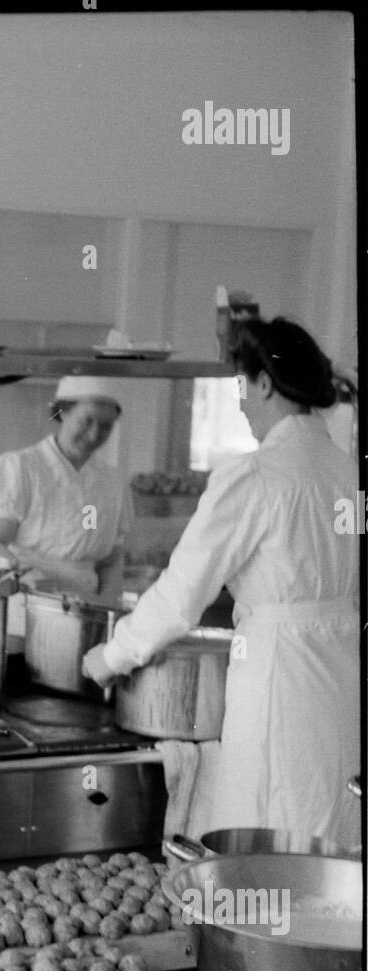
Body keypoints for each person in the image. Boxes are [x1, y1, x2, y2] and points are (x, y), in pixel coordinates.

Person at [83, 316, 359, 844]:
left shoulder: (256, 475)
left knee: (268, 827)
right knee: (327, 828)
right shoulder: (345, 469)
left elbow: (183, 591)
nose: (240, 403)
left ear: (264, 384)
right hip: (342, 681)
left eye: (241, 387)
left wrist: (112, 657)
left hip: (281, 677)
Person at [0, 376, 131, 604]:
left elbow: (110, 559)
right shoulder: (21, 467)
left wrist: (107, 605)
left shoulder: (110, 481)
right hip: (27, 605)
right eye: (86, 421)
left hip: (89, 608)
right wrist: (27, 581)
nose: (94, 434)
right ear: (63, 413)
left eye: (105, 426)